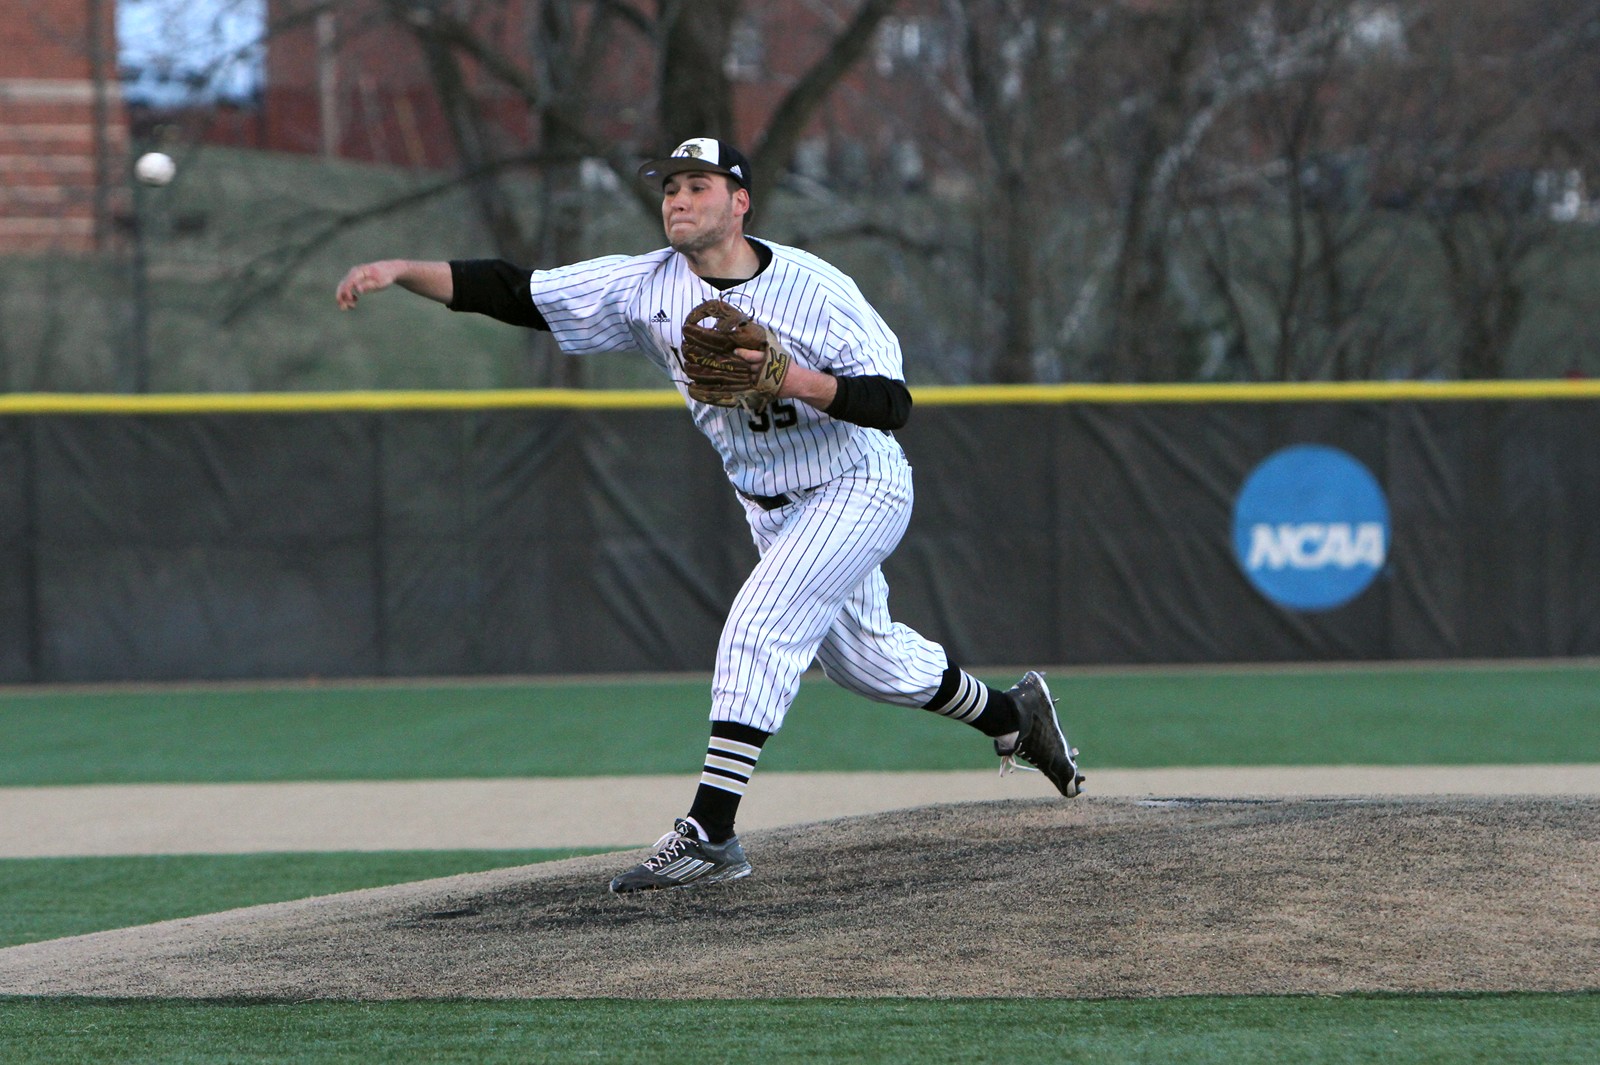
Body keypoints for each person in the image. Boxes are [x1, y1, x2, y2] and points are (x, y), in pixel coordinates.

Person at [335, 137, 1084, 893]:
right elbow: (516, 291)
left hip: (857, 482)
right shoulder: (647, 288)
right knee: (868, 662)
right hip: (771, 508)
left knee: (758, 626)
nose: (678, 199)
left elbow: (893, 404)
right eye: (669, 188)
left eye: (697, 185)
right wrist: (401, 273)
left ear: (740, 202)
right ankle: (1013, 715)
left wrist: (789, 376)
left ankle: (710, 832)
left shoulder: (816, 289)